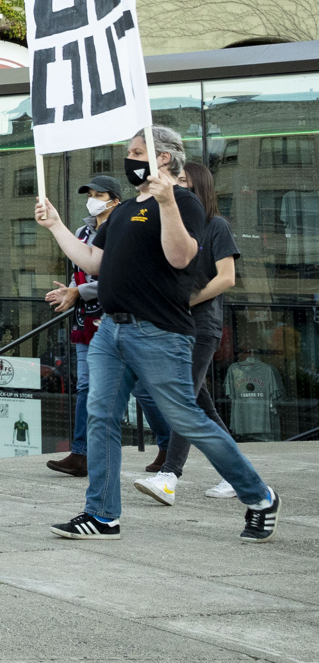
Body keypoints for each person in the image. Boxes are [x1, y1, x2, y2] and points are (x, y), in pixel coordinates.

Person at [35, 126, 279, 541]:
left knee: (187, 417)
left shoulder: (183, 202)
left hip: (159, 333)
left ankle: (259, 496)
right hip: (111, 329)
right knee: (101, 416)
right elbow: (95, 261)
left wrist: (166, 202)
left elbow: (181, 257)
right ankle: (102, 515)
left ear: (163, 158)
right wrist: (56, 225)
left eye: (136, 151)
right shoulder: (126, 210)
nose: (128, 158)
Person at [131, 160, 241, 505]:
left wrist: (189, 300)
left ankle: (169, 475)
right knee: (201, 407)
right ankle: (237, 474)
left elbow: (226, 278)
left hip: (200, 327)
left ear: (198, 188)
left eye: (182, 182)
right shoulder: (171, 227)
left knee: (182, 401)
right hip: (174, 326)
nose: (175, 187)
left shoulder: (215, 226)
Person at [44, 175, 122, 479]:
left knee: (143, 389)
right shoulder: (83, 231)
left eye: (98, 194)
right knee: (86, 385)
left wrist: (81, 291)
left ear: (114, 199)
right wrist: (72, 291)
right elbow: (82, 271)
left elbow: (115, 274)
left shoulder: (123, 227)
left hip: (117, 315)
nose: (92, 199)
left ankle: (168, 448)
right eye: (89, 194)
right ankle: (81, 453)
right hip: (85, 319)